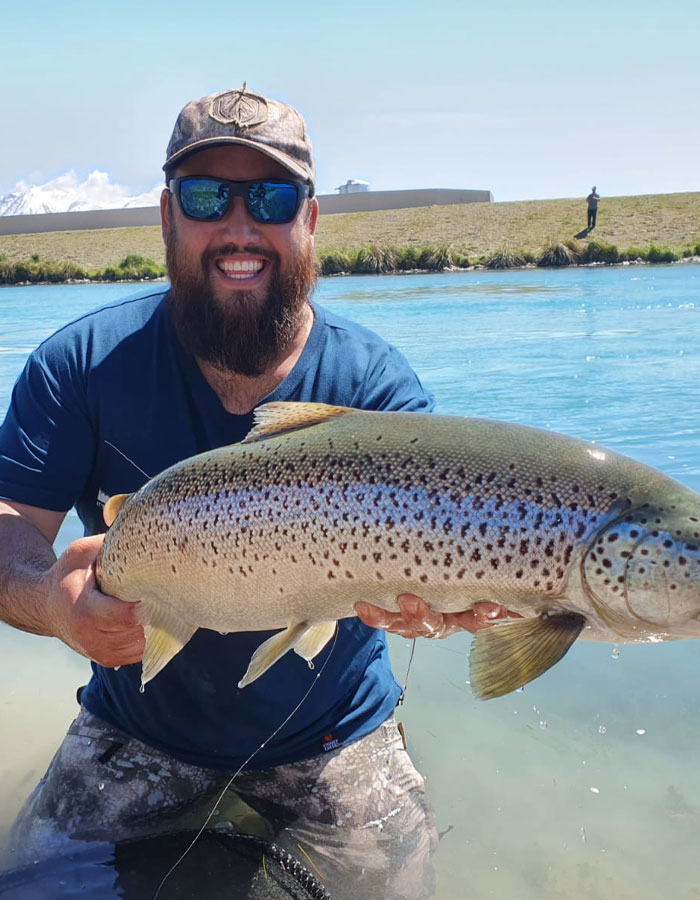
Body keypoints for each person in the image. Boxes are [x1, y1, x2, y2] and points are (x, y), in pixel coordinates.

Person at [0, 86, 509, 899]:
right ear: (167, 218)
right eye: (208, 197)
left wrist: (444, 605)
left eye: (271, 197)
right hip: (137, 727)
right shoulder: (78, 366)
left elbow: (447, 553)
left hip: (333, 734)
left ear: (311, 219)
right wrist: (56, 606)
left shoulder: (377, 387)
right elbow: (9, 531)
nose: (240, 228)